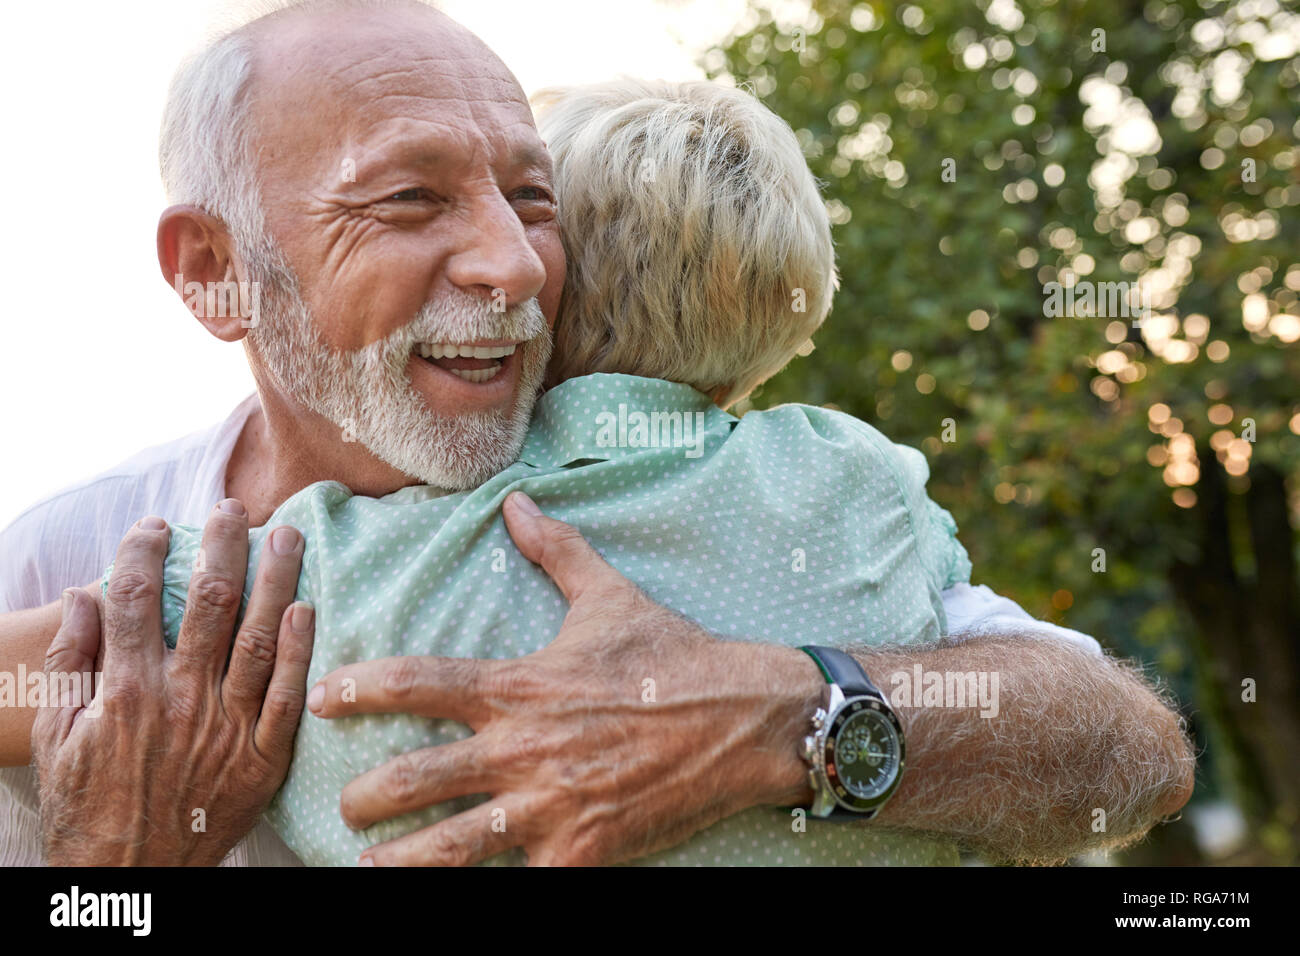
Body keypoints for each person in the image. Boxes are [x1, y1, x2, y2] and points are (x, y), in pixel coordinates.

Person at [0, 0, 1194, 867]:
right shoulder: (75, 554)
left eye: (533, 199)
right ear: (215, 273)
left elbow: (1127, 748)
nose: (515, 262)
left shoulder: (665, 483)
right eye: (410, 197)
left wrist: (782, 718)